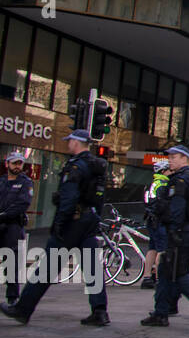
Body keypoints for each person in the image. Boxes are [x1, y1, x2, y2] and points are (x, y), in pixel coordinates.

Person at [2, 130, 109, 327]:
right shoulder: (97, 165)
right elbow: (99, 196)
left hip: (72, 222)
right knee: (92, 267)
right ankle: (100, 311)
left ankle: (23, 309)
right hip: (88, 219)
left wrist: (59, 222)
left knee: (47, 267)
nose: (68, 144)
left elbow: (68, 198)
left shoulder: (75, 166)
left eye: (70, 141)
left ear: (77, 143)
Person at [139, 144, 189, 329]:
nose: (170, 160)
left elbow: (177, 209)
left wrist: (173, 230)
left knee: (177, 273)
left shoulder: (180, 181)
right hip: (187, 232)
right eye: (170, 157)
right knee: (167, 274)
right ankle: (161, 312)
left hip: (178, 233)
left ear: (185, 159)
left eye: (174, 157)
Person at [0, 151, 32, 306]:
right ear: (7, 164)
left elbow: (22, 204)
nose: (17, 166)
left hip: (13, 225)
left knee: (11, 262)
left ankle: (12, 297)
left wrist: (4, 215)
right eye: (14, 163)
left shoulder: (25, 182)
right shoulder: (1, 181)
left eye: (20, 163)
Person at [141, 158, 170, 289]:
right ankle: (159, 279)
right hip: (160, 220)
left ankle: (147, 277)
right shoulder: (164, 183)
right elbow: (163, 204)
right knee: (162, 250)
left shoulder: (152, 182)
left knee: (152, 248)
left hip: (150, 219)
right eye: (169, 170)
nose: (171, 172)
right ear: (163, 171)